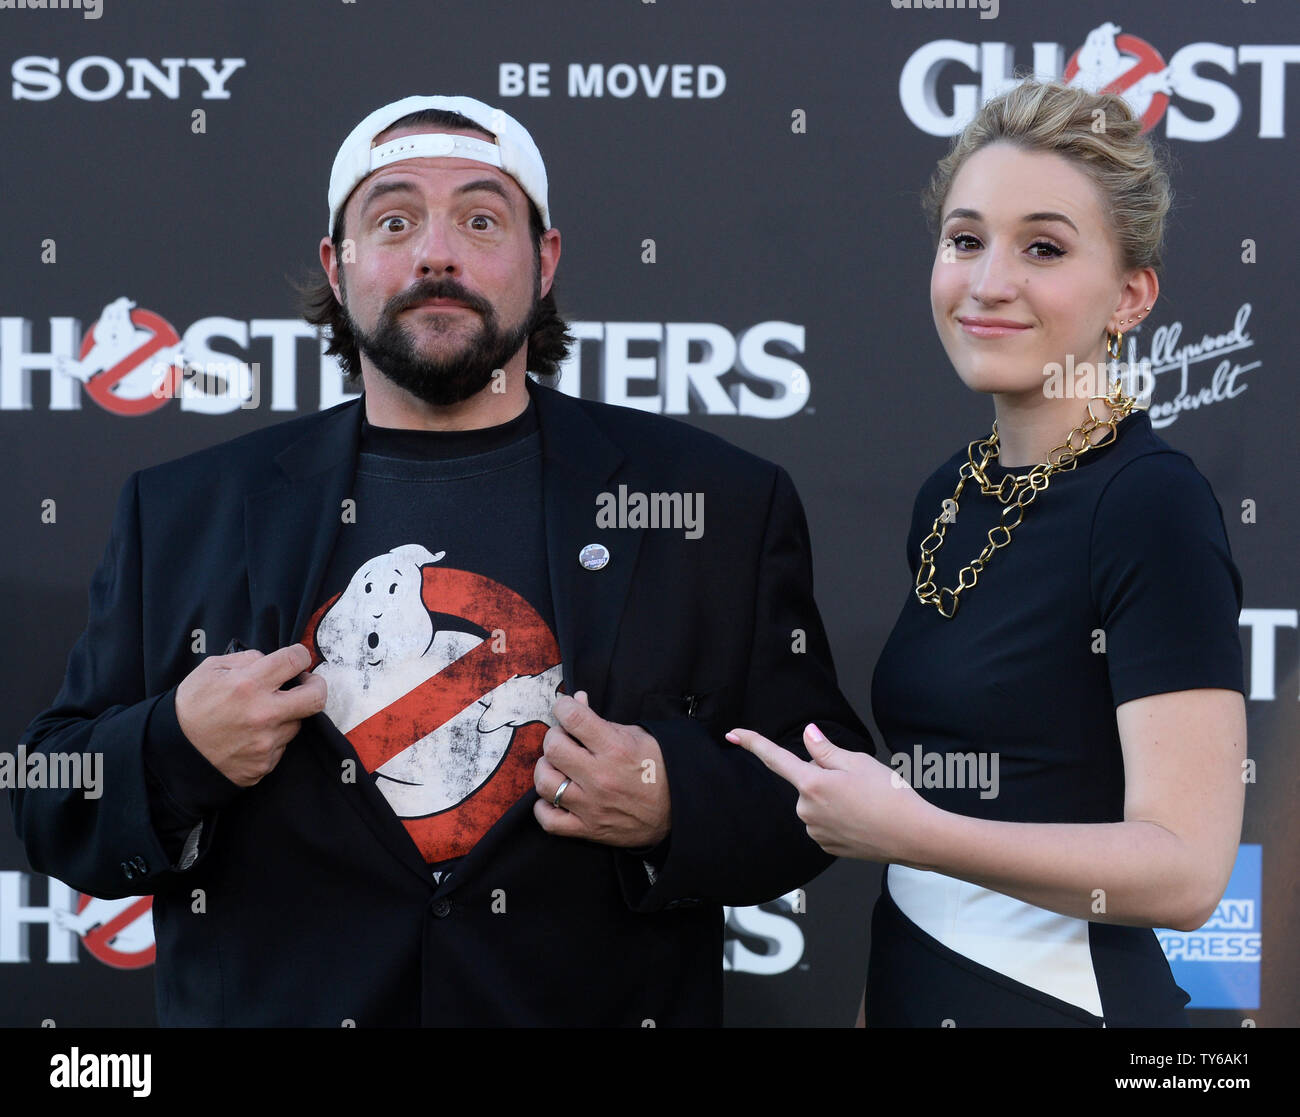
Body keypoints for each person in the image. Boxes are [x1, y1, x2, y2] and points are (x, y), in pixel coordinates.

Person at [11, 94, 873, 1026]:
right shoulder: (183, 510)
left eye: (480, 217)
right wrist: (175, 748)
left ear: (544, 263)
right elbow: (53, 797)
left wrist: (671, 799)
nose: (436, 252)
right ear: (338, 269)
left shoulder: (718, 504)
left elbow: (819, 788)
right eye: (393, 219)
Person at [729, 79, 1246, 1028]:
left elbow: (1186, 871)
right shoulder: (952, 493)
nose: (988, 281)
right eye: (966, 240)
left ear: (1131, 295)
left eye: (1042, 248)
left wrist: (914, 831)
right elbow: (927, 873)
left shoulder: (1151, 505)